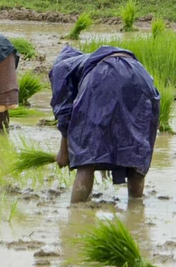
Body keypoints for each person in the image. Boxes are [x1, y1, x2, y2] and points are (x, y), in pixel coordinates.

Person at [49, 45, 159, 203]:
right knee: (137, 148)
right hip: (141, 76)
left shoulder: (61, 68)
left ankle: (76, 213)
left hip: (104, 76)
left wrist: (64, 151)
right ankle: (136, 207)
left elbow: (65, 112)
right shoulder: (87, 61)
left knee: (86, 156)